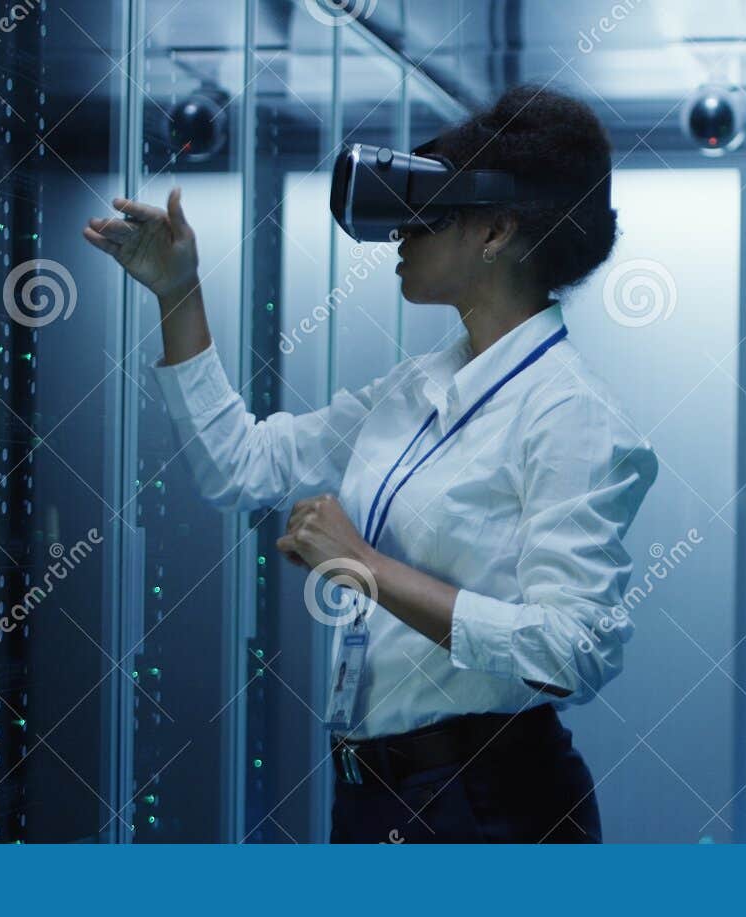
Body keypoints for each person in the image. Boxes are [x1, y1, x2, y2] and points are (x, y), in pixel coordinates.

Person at [85, 84, 657, 843]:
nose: (400, 237)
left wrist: (363, 565)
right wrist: (178, 292)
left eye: (429, 215)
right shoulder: (415, 388)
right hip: (374, 792)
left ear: (494, 231)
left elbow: (572, 651)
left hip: (489, 807)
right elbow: (238, 466)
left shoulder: (569, 414)